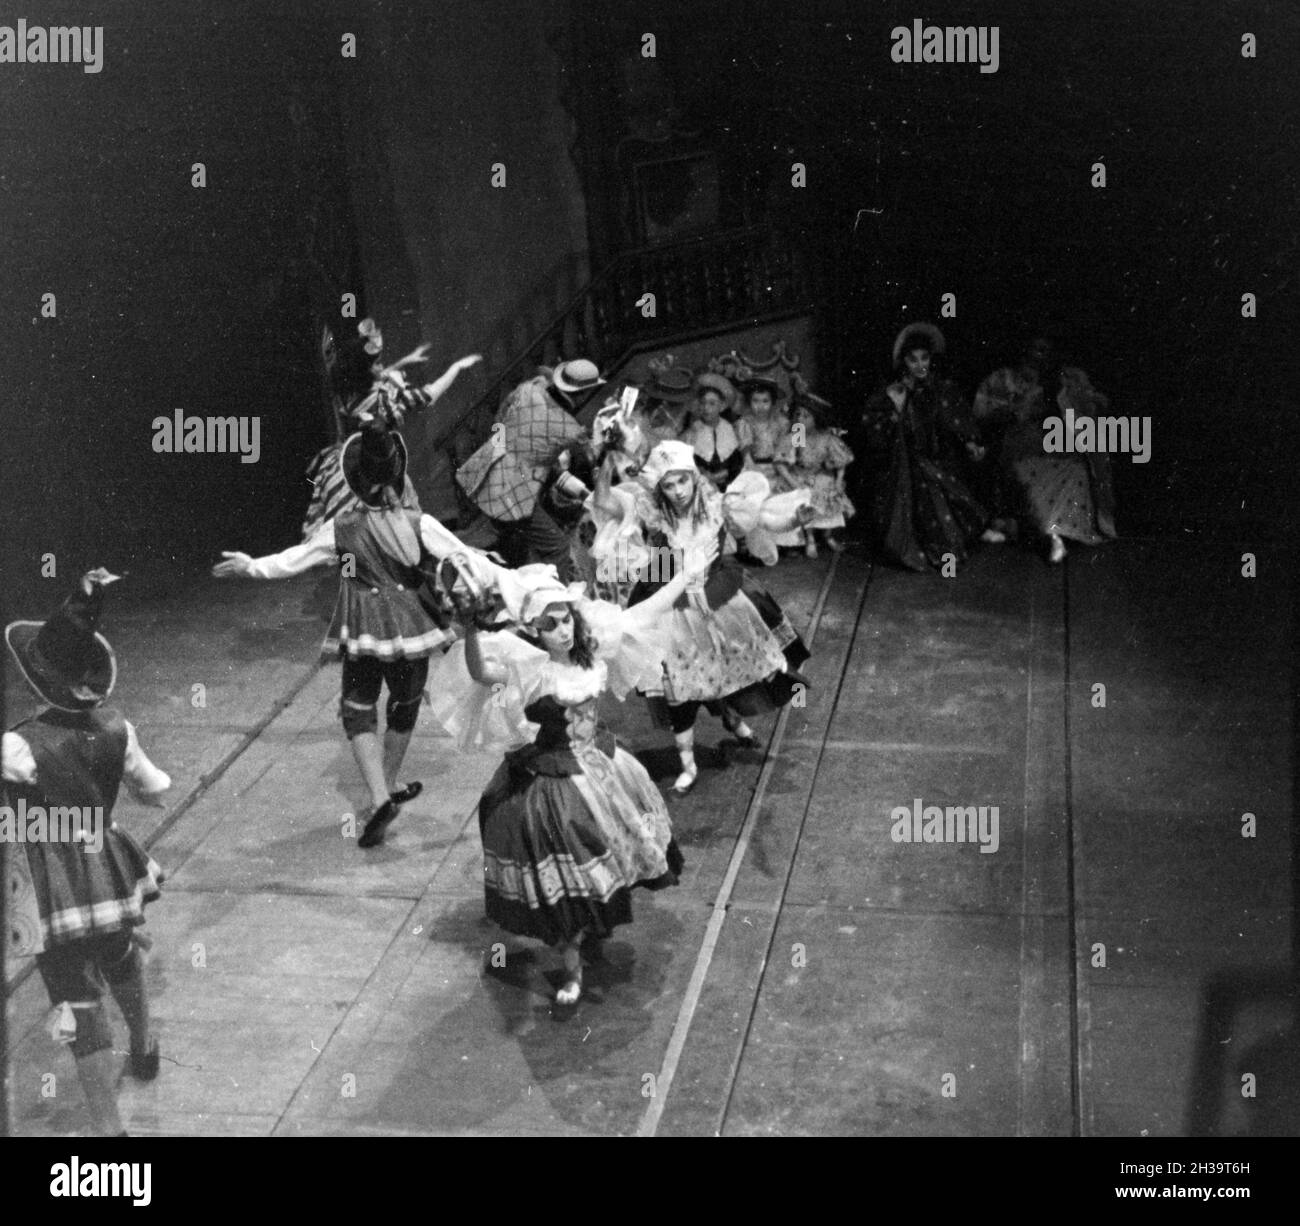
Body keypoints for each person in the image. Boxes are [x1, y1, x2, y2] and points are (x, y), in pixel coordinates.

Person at [430, 547, 717, 1005]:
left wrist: (684, 573)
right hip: (553, 778)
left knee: (606, 856)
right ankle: (571, 968)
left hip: (601, 767)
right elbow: (482, 672)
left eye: (565, 620)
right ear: (534, 631)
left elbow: (646, 612)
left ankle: (590, 932)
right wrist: (468, 630)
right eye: (549, 625)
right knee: (562, 869)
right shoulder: (531, 669)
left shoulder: (592, 652)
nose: (561, 630)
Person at [213, 417, 498, 848]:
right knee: (404, 704)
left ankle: (381, 796)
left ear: (357, 481)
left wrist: (250, 566)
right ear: (397, 475)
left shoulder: (342, 528)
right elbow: (464, 559)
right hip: (412, 626)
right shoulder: (420, 523)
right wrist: (503, 576)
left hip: (365, 628)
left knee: (358, 708)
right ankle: (389, 783)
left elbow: (295, 559)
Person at [3, 569, 171, 1136]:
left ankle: (109, 1132)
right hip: (105, 860)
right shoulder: (118, 726)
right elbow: (156, 787)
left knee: (76, 996)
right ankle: (145, 1045)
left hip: (55, 881)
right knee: (121, 953)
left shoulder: (19, 744)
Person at [593, 439, 813, 794]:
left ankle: (731, 719)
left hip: (715, 595)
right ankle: (688, 765)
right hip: (668, 598)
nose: (677, 491)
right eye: (669, 484)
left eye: (682, 481)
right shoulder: (651, 511)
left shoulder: (717, 506)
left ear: (694, 477)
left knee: (722, 667)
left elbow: (765, 521)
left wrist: (795, 519)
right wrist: (605, 461)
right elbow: (604, 502)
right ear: (660, 486)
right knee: (679, 687)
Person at [303, 317, 482, 538]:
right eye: (377, 363)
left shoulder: (348, 394)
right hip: (376, 469)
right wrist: (456, 367)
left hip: (343, 462)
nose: (383, 367)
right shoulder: (383, 401)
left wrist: (406, 360)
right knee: (395, 527)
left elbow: (378, 375)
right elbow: (429, 394)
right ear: (366, 371)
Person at [973, 336, 1117, 563]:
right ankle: (1043, 533)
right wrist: (1016, 410)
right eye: (1036, 349)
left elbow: (1086, 408)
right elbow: (982, 412)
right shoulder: (1003, 378)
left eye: (1045, 352)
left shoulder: (1060, 380)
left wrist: (1086, 401)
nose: (1039, 357)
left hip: (1048, 446)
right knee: (1027, 477)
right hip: (1014, 447)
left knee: (1076, 468)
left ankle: (1059, 532)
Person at [860, 322, 988, 572]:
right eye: (913, 360)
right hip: (908, 464)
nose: (920, 365)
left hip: (941, 458)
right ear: (903, 363)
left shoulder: (941, 388)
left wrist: (970, 441)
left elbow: (956, 419)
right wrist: (897, 411)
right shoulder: (894, 392)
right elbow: (876, 428)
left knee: (957, 502)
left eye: (925, 358)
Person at [455, 358, 604, 566]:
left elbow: (500, 418)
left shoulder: (529, 388)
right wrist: (601, 436)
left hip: (486, 466)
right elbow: (592, 455)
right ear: (583, 394)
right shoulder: (570, 431)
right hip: (510, 491)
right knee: (558, 548)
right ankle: (556, 598)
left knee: (509, 538)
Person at [774, 389, 855, 556]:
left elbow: (841, 461)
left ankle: (828, 535)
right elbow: (782, 463)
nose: (800, 420)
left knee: (827, 489)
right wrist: (792, 481)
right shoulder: (797, 435)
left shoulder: (826, 437)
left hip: (821, 474)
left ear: (816, 418)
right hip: (800, 475)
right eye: (798, 415)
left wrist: (839, 479)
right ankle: (810, 538)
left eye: (806, 416)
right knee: (806, 495)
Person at [683, 373, 744, 491]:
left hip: (726, 483)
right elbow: (690, 462)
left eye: (712, 403)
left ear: (721, 406)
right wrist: (705, 476)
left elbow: (735, 464)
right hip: (701, 484)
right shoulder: (693, 430)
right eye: (703, 403)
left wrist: (720, 476)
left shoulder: (728, 428)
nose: (706, 408)